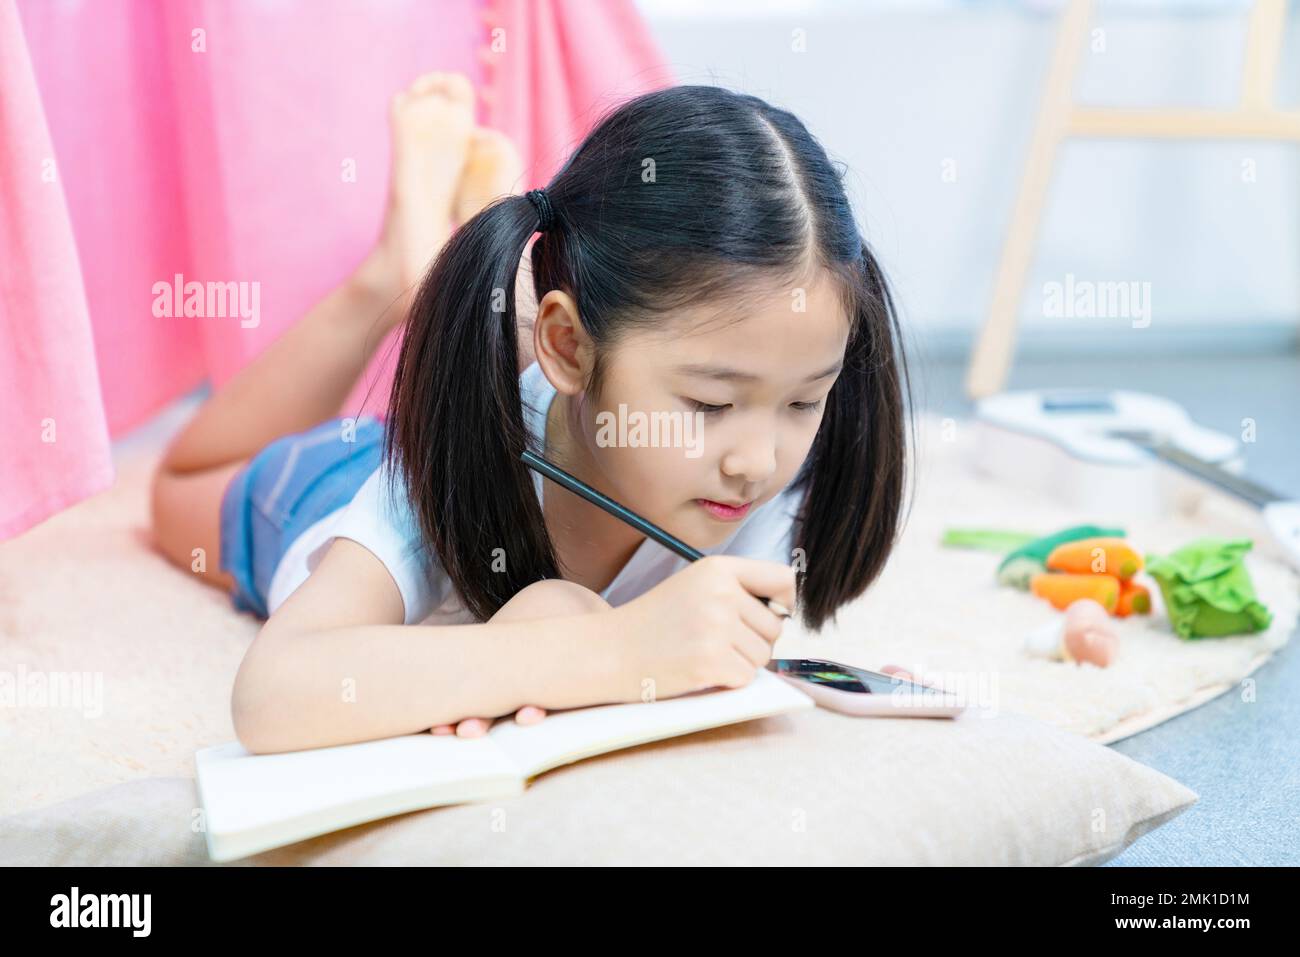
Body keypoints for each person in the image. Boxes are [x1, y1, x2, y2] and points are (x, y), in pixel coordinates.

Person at [150, 73, 911, 754]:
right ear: (569, 347)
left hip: (542, 407)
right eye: (710, 404)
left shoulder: (760, 457)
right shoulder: (424, 486)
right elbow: (272, 693)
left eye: (805, 399)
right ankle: (393, 278)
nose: (757, 461)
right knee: (177, 487)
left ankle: (465, 295)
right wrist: (615, 650)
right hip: (333, 479)